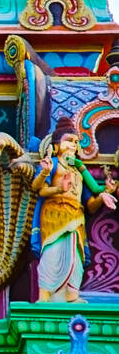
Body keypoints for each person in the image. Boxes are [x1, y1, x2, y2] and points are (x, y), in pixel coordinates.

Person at [31, 117, 117, 302]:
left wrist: (104, 194)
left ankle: (71, 295)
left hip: (77, 218)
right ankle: (44, 296)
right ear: (56, 146)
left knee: (75, 257)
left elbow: (90, 205)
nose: (72, 145)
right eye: (68, 140)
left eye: (75, 142)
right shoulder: (52, 164)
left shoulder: (78, 172)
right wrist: (54, 183)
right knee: (52, 254)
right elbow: (39, 189)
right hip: (54, 214)